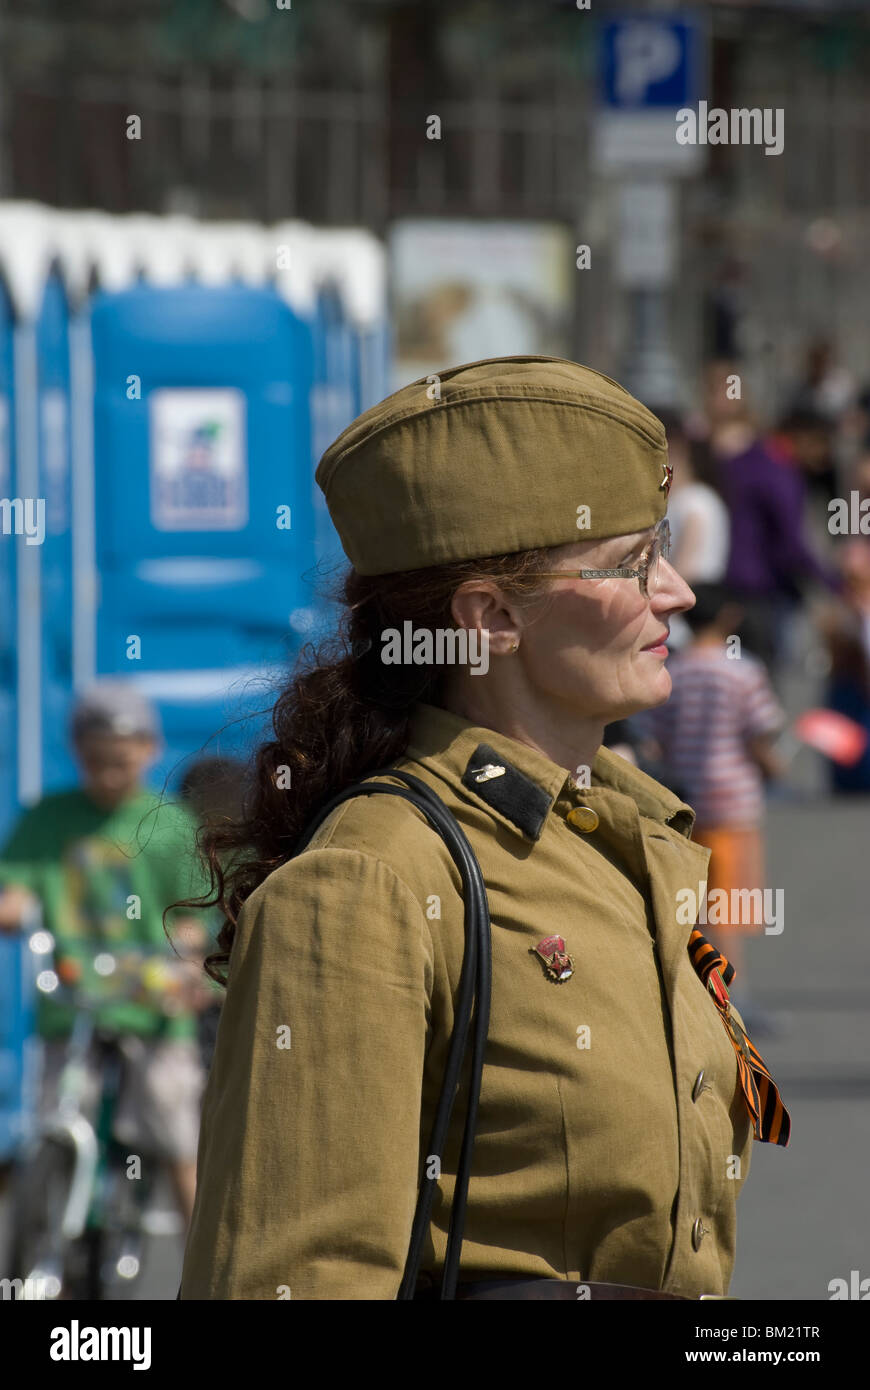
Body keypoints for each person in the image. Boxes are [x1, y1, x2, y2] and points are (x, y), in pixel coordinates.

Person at [177, 357, 790, 1302]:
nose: (678, 593)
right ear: (492, 616)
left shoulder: (621, 844)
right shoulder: (369, 882)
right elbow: (296, 1280)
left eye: (662, 550)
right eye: (631, 563)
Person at [0, 682, 213, 1229]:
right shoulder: (47, 819)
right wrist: (14, 907)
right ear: (75, 752)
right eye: (95, 762)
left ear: (149, 749)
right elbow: (15, 893)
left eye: (120, 762)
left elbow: (194, 914)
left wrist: (189, 965)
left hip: (154, 1003)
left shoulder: (168, 823)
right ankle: (48, 1260)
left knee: (174, 1128)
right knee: (58, 1116)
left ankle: (204, 1268)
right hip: (75, 1002)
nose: (108, 775)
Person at [633, 583, 789, 1029]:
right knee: (732, 903)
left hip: (685, 800)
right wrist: (775, 769)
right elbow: (760, 731)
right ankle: (732, 997)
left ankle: (696, 987)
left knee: (695, 901)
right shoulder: (742, 670)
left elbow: (653, 734)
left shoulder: (674, 670)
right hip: (734, 803)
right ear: (730, 619)